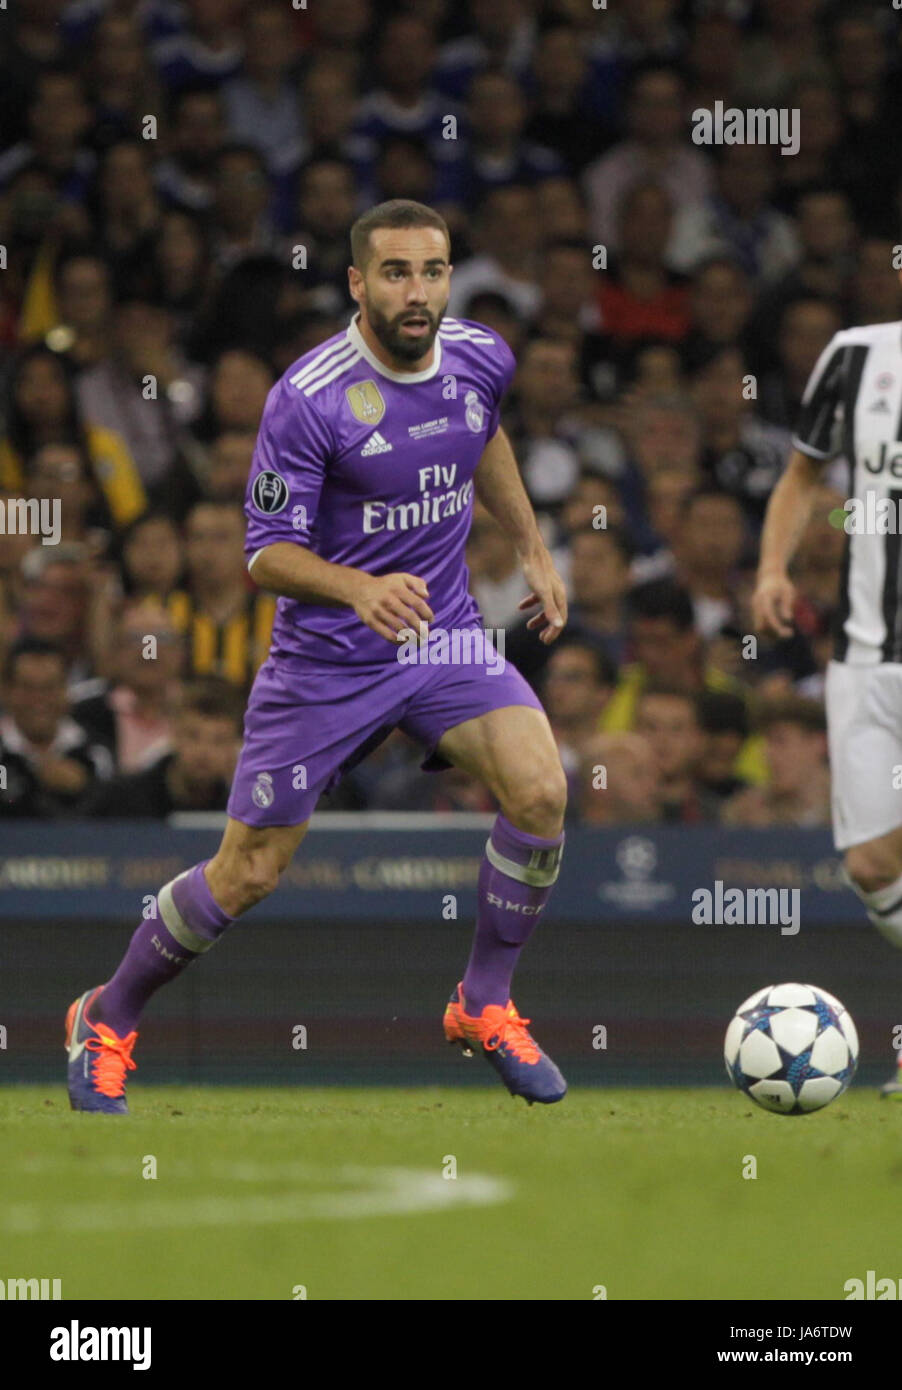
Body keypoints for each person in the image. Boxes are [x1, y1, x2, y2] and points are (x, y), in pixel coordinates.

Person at [65, 198, 571, 1115]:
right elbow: (264, 553)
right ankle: (107, 1016)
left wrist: (530, 542)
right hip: (327, 661)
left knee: (542, 789)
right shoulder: (309, 396)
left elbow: (482, 434)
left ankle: (484, 1003)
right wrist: (357, 586)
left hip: (442, 632)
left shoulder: (482, 355)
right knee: (249, 871)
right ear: (357, 282)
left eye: (433, 271)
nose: (417, 293)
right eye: (395, 273)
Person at [752, 273, 902, 1096]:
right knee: (873, 864)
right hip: (863, 656)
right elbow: (804, 478)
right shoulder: (857, 357)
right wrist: (773, 567)